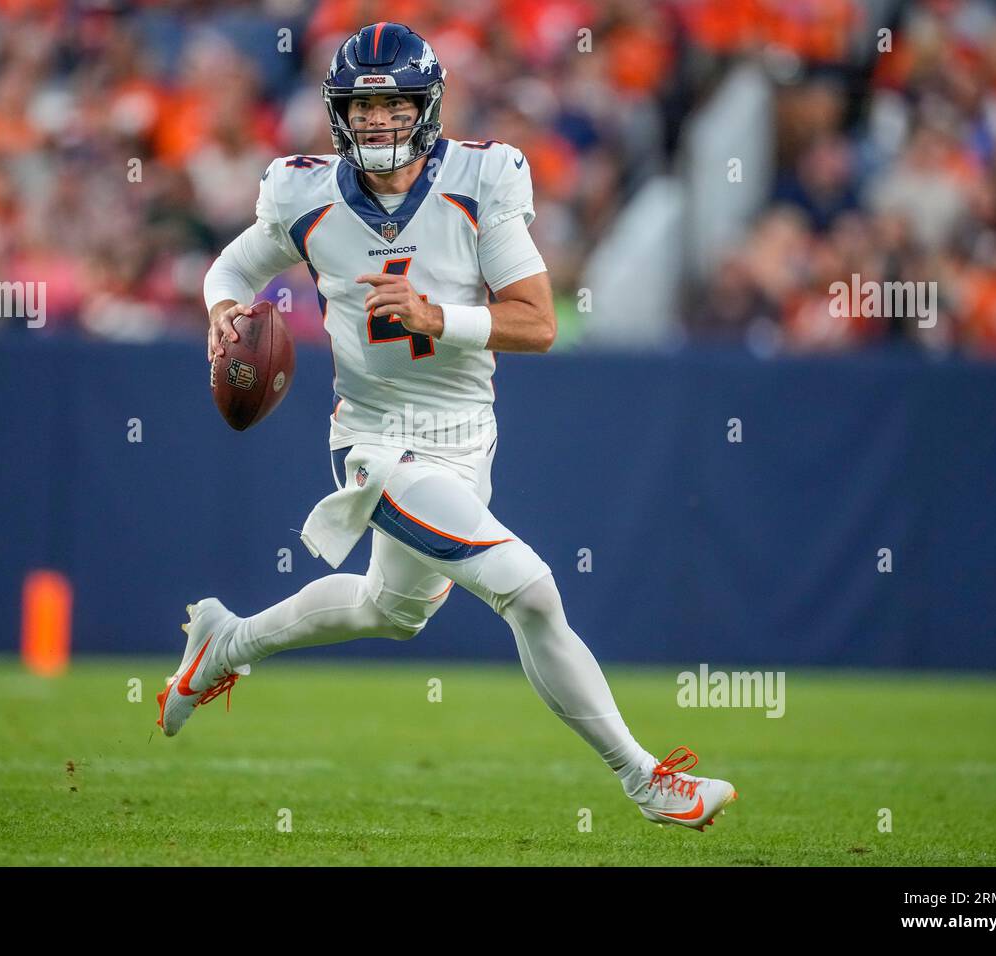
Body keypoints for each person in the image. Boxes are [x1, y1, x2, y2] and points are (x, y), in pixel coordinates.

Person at [162, 22, 737, 830]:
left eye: (394, 107)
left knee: (387, 611)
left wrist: (443, 316)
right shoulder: (306, 193)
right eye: (361, 111)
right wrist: (224, 311)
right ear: (338, 116)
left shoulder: (481, 178)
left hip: (468, 435)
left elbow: (537, 322)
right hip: (377, 441)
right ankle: (645, 779)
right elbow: (233, 266)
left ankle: (224, 643)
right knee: (531, 590)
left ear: (427, 108)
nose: (377, 125)